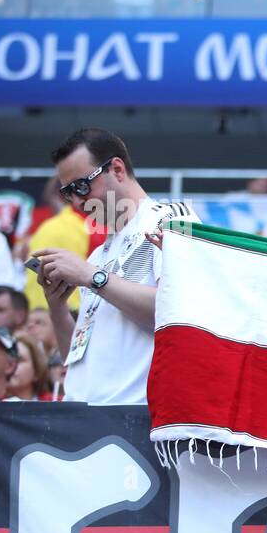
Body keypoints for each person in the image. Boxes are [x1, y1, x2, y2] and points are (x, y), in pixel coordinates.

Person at [38, 127, 198, 405]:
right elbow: (74, 359)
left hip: (132, 418)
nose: (77, 201)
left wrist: (93, 278)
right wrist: (56, 306)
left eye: (82, 186)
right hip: (82, 415)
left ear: (117, 169)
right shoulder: (98, 254)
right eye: (67, 193)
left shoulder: (172, 220)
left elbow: (177, 313)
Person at [24, 176, 97, 312]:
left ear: (59, 196)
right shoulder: (96, 226)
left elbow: (43, 286)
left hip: (62, 315)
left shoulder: (57, 227)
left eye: (50, 203)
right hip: (79, 315)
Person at [7, 332, 54, 402]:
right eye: (8, 361)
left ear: (36, 370)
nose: (12, 366)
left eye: (20, 360)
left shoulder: (54, 402)